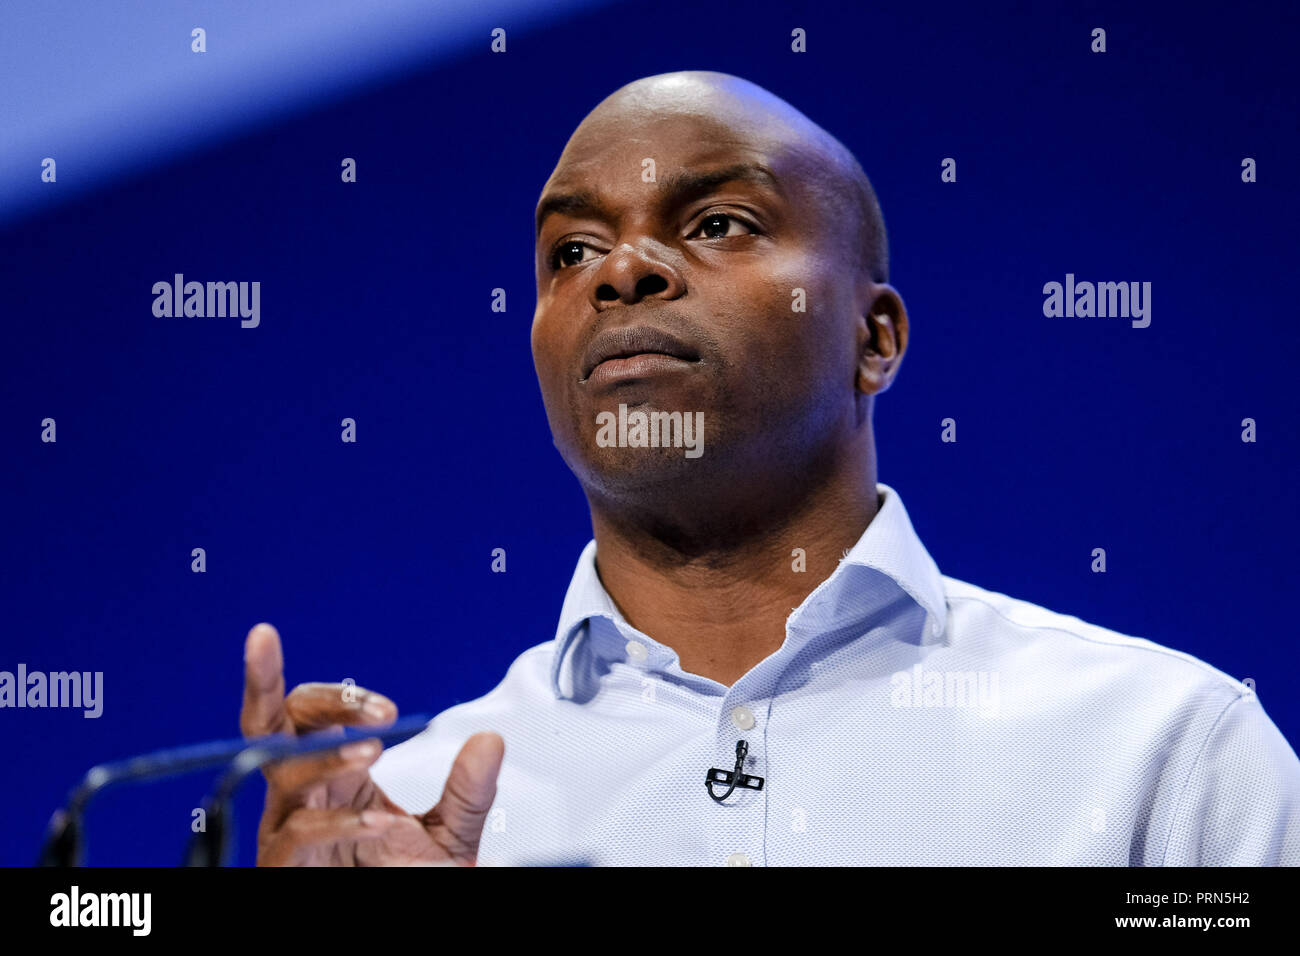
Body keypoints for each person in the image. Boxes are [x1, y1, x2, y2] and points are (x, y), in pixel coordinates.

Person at [239, 70, 1300, 866]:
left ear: (872, 337)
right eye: (571, 251)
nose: (622, 270)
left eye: (717, 223)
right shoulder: (414, 808)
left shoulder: (1159, 752)